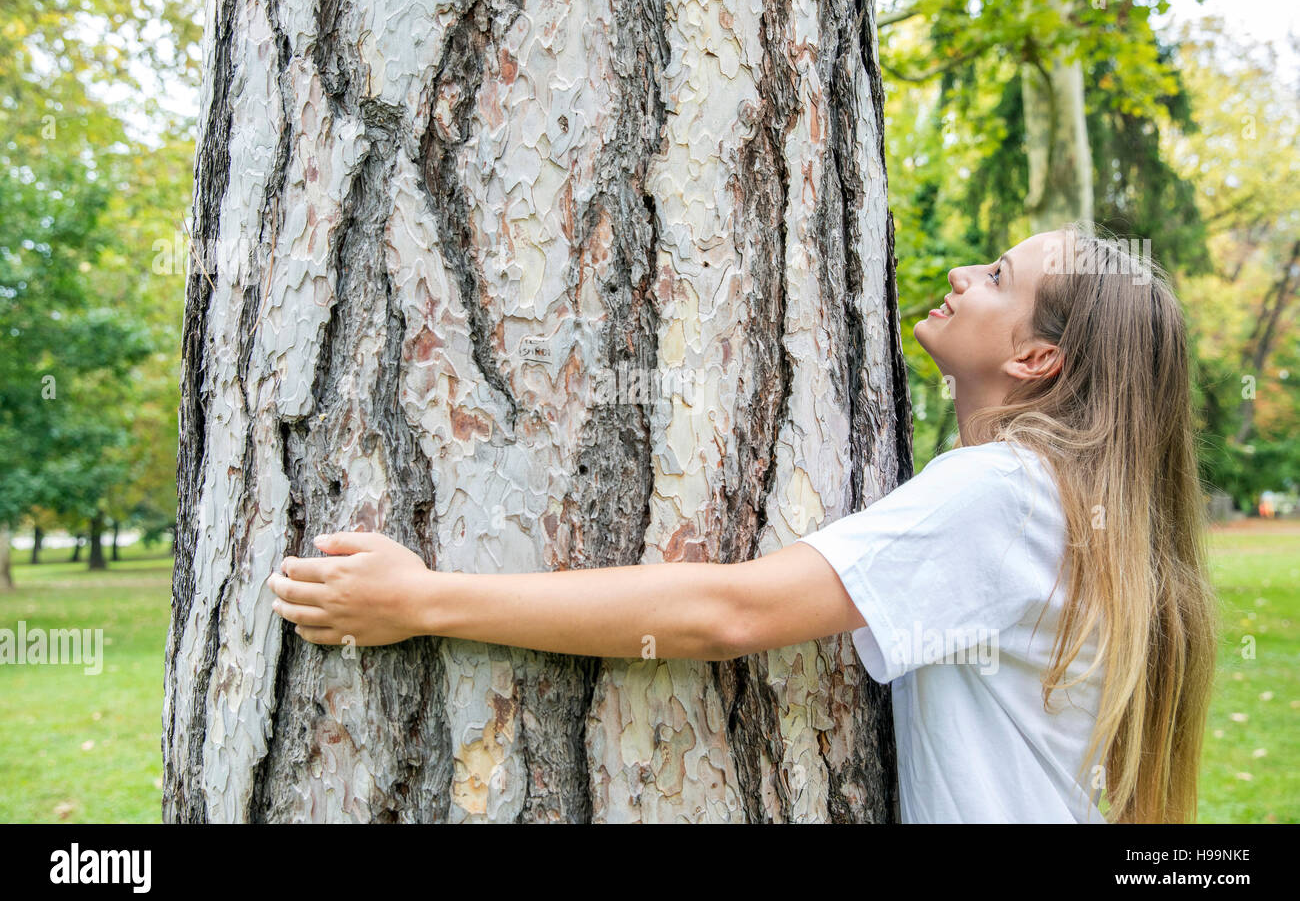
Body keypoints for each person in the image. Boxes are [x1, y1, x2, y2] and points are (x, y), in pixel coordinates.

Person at [267, 223, 1218, 823]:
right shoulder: (1066, 507)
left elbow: (728, 615)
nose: (965, 273)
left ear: (1038, 359)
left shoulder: (1005, 495)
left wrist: (425, 600)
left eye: (999, 278)